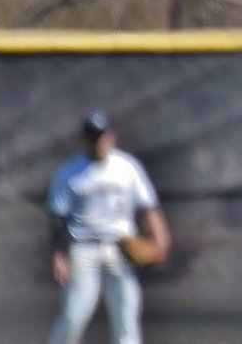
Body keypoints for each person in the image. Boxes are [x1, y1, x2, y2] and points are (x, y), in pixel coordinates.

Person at [46, 110, 171, 344]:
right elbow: (57, 218)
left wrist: (161, 241)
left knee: (126, 315)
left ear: (111, 136)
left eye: (102, 136)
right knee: (74, 313)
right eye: (93, 137)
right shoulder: (69, 171)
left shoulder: (127, 167)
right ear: (85, 140)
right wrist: (59, 255)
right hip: (83, 248)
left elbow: (148, 207)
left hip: (120, 247)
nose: (98, 142)